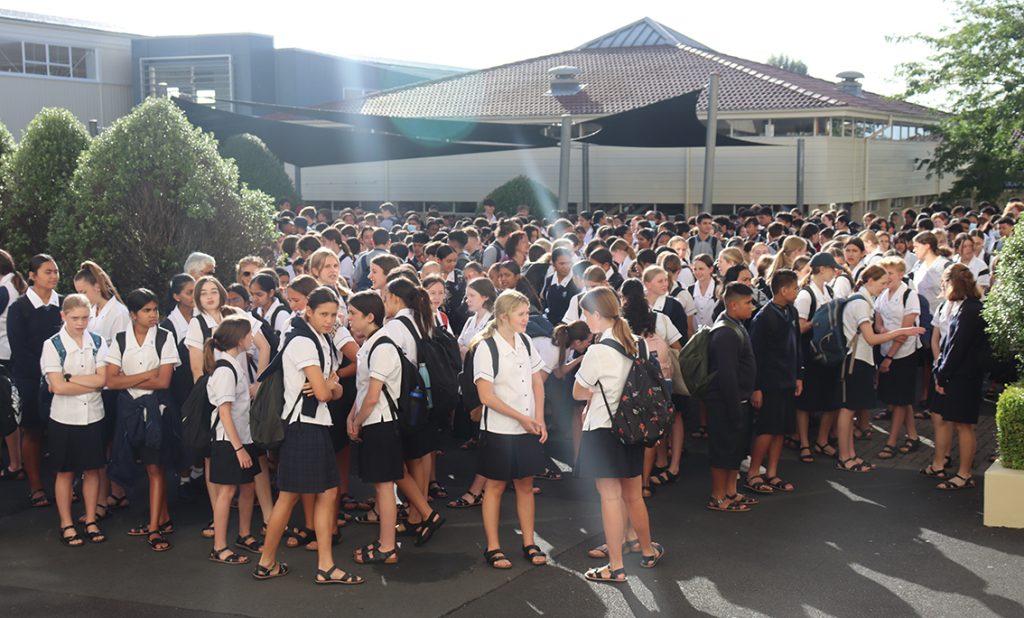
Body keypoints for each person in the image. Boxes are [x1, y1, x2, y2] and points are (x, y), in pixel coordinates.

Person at [254, 287, 364, 585]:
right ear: (309, 312)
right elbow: (325, 393)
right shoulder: (303, 341)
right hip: (304, 427)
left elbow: (332, 389)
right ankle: (291, 564)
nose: (329, 320)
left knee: (318, 494)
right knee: (295, 496)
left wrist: (330, 386)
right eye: (323, 314)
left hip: (311, 426)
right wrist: (328, 386)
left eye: (333, 314)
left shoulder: (318, 339)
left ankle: (310, 564)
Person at [573, 287, 663, 583]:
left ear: (597, 314)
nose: (585, 320)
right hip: (633, 427)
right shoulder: (638, 343)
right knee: (634, 496)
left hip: (603, 429)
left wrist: (595, 391)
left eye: (586, 314)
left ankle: (615, 566)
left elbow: (577, 392)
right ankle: (647, 550)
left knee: (610, 498)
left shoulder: (597, 351)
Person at [471, 290, 549, 569]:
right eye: (522, 314)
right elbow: (486, 397)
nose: (527, 319)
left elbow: (537, 381)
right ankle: (493, 547)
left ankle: (529, 542)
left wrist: (538, 418)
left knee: (526, 485)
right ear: (504, 316)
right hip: (499, 430)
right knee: (494, 486)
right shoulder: (486, 347)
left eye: (527, 313)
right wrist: (522, 418)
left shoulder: (525, 341)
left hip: (526, 427)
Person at [104, 288, 181, 552]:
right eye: (146, 310)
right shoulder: (120, 339)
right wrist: (147, 374)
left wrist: (128, 379)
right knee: (138, 463)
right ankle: (163, 518)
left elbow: (164, 381)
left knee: (154, 467)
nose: (153, 315)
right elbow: (110, 380)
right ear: (133, 314)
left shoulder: (164, 337)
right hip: (129, 410)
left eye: (155, 309)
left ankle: (154, 527)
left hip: (156, 409)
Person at [835, 266, 924, 472]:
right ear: (869, 281)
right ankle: (845, 457)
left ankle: (850, 456)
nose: (884, 286)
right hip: (855, 360)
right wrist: (901, 331)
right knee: (847, 410)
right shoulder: (860, 302)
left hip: (859, 360)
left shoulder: (863, 300)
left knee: (850, 410)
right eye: (882, 283)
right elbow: (871, 338)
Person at [379, 277, 446, 544]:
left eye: (386, 298)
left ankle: (418, 514)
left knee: (409, 459)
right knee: (419, 456)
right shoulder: (423, 319)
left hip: (406, 398)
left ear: (396, 298)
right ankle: (418, 514)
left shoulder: (396, 326)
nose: (384, 302)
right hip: (424, 396)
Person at [41, 294, 108, 547]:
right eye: (75, 318)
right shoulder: (52, 345)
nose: (80, 323)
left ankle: (90, 519)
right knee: (65, 471)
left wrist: (70, 378)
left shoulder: (98, 342)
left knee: (92, 470)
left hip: (93, 415)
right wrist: (86, 383)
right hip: (64, 417)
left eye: (85, 318)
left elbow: (102, 380)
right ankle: (66, 523)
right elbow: (57, 387)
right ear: (63, 316)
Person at [346, 292, 404, 565]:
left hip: (382, 422)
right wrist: (353, 416)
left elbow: (372, 396)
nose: (348, 318)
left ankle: (388, 547)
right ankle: (385, 543)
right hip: (374, 421)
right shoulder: (372, 344)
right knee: (381, 488)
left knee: (384, 487)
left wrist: (356, 422)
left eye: (353, 313)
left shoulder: (382, 346)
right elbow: (364, 391)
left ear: (370, 317)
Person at [204, 315, 261, 565]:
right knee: (227, 492)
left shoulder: (234, 365)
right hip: (228, 440)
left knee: (247, 486)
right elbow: (224, 412)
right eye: (248, 334)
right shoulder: (225, 370)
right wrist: (238, 448)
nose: (252, 338)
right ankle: (219, 547)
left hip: (242, 437)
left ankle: (244, 535)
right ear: (238, 339)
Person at [8, 254, 62, 508]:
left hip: (63, 380)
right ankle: (36, 487)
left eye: (55, 271)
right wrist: (46, 373)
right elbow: (19, 350)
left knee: (61, 433)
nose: (53, 276)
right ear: (32, 275)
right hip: (30, 378)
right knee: (33, 431)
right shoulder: (18, 308)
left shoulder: (64, 304)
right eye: (47, 272)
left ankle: (64, 484)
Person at [928, 264, 986, 490]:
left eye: (944, 284)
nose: (942, 288)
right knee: (957, 423)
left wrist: (942, 375)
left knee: (964, 425)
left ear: (951, 283)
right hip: (959, 374)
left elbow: (956, 347)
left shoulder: (970, 310)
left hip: (964, 377)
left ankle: (964, 474)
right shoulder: (967, 307)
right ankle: (955, 470)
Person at [746, 271, 802, 495]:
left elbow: (797, 344)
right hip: (769, 382)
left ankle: (772, 472)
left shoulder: (792, 311)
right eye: (795, 288)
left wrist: (799, 375)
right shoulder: (763, 317)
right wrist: (756, 387)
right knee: (767, 429)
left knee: (781, 429)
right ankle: (753, 473)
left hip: (788, 379)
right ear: (783, 290)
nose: (797, 291)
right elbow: (755, 355)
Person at [705, 283, 756, 512]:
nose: (752, 306)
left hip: (737, 401)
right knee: (723, 451)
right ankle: (717, 497)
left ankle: (731, 491)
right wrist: (735, 408)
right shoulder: (725, 332)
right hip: (724, 403)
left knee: (734, 450)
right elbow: (727, 375)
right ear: (733, 305)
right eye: (748, 302)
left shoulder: (736, 324)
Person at [794, 253, 840, 464]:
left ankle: (822, 440)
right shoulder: (806, 295)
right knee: (806, 401)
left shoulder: (829, 290)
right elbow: (799, 327)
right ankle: (804, 443)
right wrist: (819, 320)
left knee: (830, 399)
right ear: (822, 269)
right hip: (810, 354)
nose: (835, 272)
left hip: (828, 353)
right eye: (832, 268)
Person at [874, 257, 922, 460]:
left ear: (901, 274)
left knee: (899, 400)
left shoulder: (910, 295)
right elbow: (877, 319)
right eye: (885, 272)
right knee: (901, 398)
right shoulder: (883, 293)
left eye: (891, 273)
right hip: (886, 349)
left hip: (903, 354)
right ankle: (913, 436)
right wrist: (881, 330)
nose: (887, 277)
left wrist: (889, 358)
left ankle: (891, 442)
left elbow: (905, 332)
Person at [0, 249, 27, 481]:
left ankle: (15, 463)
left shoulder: (4, 290)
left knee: (7, 411)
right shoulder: (15, 286)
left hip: (3, 356)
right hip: (12, 354)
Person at [160, 274, 195, 344]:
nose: (194, 296)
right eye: (189, 293)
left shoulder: (204, 315)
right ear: (176, 297)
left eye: (196, 291)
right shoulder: (168, 326)